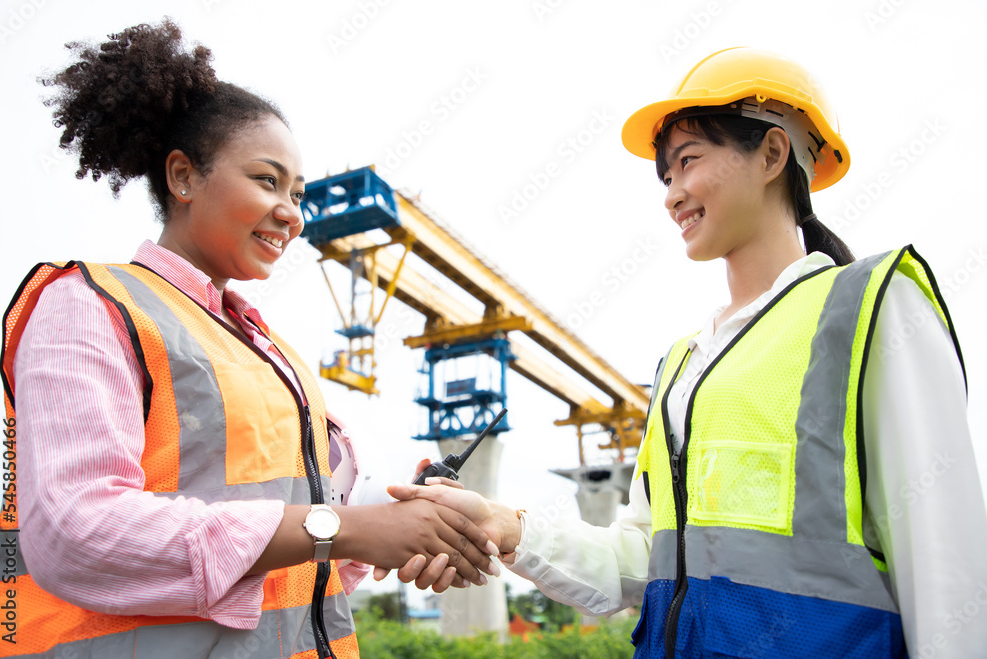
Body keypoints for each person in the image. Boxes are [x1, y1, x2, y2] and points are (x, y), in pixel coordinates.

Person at [389, 47, 987, 658]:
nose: (672, 194)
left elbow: (949, 576)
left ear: (773, 154)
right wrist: (503, 525)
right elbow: (643, 563)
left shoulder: (871, 309)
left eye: (688, 162)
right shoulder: (682, 366)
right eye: (666, 177)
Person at [0, 19, 499, 659]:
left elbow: (313, 541)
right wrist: (347, 529)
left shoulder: (269, 353)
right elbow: (78, 534)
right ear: (182, 177)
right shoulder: (90, 306)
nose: (292, 212)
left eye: (298, 193)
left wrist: (418, 527)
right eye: (267, 180)